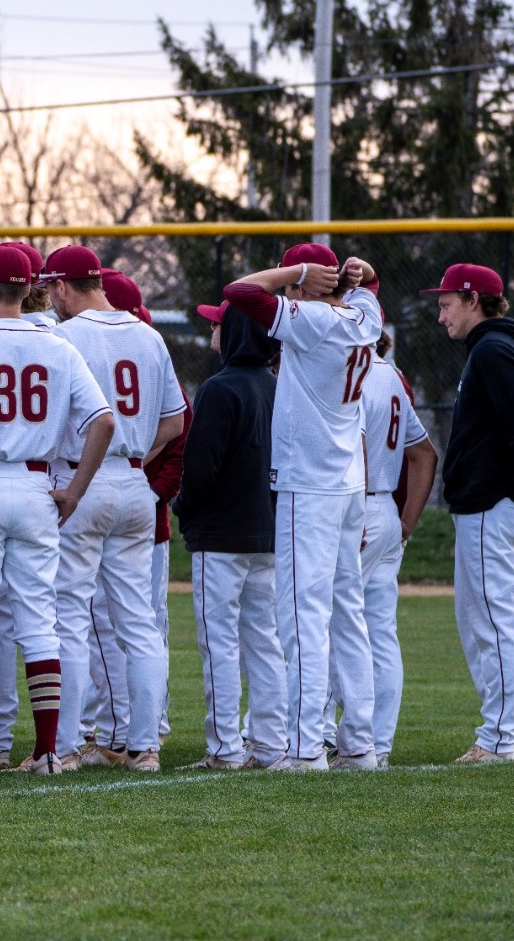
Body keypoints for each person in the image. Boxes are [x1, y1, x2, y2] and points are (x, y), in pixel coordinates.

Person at [0, 245, 113, 776]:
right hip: (38, 486)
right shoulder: (57, 344)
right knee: (39, 621)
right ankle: (48, 752)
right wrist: (75, 489)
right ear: (30, 288)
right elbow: (103, 421)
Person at [224, 243, 383, 771]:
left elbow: (240, 291)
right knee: (349, 616)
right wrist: (356, 276)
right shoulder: (363, 314)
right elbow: (372, 288)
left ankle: (304, 747)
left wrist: (295, 273)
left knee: (301, 617)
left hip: (308, 486)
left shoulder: (310, 320)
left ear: (308, 284)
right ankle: (359, 743)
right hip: (347, 484)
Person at [40, 245, 186, 773]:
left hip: (82, 480)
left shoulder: (64, 336)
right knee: (139, 622)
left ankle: (66, 746)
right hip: (133, 484)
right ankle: (145, 747)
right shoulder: (149, 336)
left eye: (49, 287)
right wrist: (132, 457)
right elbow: (173, 422)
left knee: (70, 617)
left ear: (62, 286)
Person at [427, 262, 514, 763]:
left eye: (446, 304)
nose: (441, 316)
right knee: (479, 620)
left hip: (490, 507)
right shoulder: (500, 348)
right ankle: (497, 733)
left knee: (493, 622)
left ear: (472, 299)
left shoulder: (495, 350)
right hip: (487, 506)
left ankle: (499, 740)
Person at [172, 300, 290, 770]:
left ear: (237, 331)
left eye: (219, 324)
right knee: (264, 641)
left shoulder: (221, 388)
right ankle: (270, 744)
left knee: (218, 642)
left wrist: (183, 507)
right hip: (265, 531)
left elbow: (201, 467)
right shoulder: (277, 385)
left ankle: (225, 747)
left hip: (220, 535)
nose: (213, 332)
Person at [330, 327, 438, 766]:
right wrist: (406, 520)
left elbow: (355, 446)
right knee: (380, 633)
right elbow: (425, 453)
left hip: (358, 507)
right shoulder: (391, 376)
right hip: (386, 515)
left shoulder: (352, 373)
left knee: (330, 626)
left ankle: (326, 737)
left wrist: (359, 517)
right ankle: (380, 744)